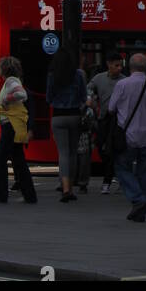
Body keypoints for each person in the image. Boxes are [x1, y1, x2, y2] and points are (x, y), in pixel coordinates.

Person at [109, 52, 146, 222]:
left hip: (128, 135)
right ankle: (142, 207)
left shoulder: (122, 84)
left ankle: (138, 199)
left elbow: (111, 108)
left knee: (122, 168)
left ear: (129, 67)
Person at [0, 56, 36, 204]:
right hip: (14, 125)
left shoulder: (11, 81)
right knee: (19, 160)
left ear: (4, 69)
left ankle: (1, 194)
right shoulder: (12, 81)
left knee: (0, 159)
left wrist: (6, 100)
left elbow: (21, 94)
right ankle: (29, 194)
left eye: (0, 67)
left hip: (10, 126)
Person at [46, 48, 87, 202]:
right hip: (75, 115)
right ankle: (72, 185)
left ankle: (65, 188)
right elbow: (83, 96)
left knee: (63, 153)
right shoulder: (78, 75)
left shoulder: (52, 75)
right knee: (72, 152)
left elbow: (48, 97)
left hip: (58, 116)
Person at [88, 51, 123, 193]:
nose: (119, 68)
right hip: (103, 118)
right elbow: (89, 88)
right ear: (109, 65)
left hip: (118, 120)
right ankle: (114, 177)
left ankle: (107, 180)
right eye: (116, 65)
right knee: (101, 146)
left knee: (112, 150)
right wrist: (90, 99)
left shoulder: (124, 80)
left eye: (121, 65)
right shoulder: (98, 79)